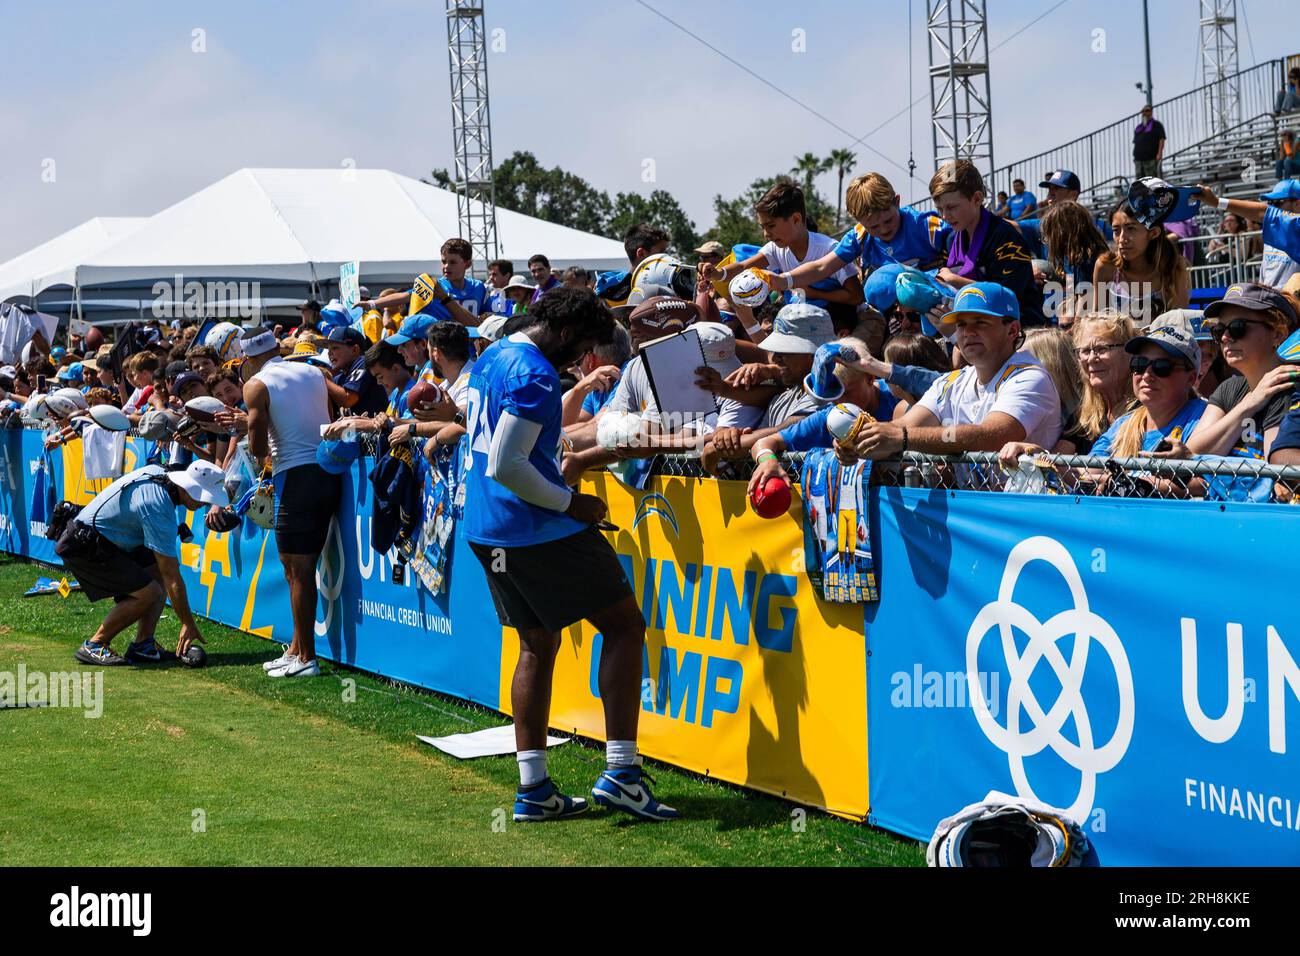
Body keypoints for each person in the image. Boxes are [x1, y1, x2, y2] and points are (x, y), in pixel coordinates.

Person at [462, 286, 676, 822]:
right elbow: (508, 465)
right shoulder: (534, 373)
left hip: (487, 524)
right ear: (561, 333)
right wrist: (569, 503)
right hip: (531, 524)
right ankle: (622, 774)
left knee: (536, 646)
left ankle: (534, 790)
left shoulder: (497, 352)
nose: (583, 359)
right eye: (581, 346)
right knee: (625, 627)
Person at [845, 282, 1062, 466]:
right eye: (961, 324)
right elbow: (901, 428)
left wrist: (902, 438)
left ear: (1012, 330)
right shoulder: (952, 381)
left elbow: (992, 435)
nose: (968, 332)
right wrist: (858, 440)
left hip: (1028, 509)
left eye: (980, 322)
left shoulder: (1029, 377)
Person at [236, 326, 338, 678]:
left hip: (296, 477)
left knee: (297, 569)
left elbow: (259, 446)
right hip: (326, 471)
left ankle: (306, 657)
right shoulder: (312, 371)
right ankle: (296, 648)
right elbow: (325, 419)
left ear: (249, 359)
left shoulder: (256, 385)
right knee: (296, 568)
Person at [61, 461, 229, 666]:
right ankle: (95, 644)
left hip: (99, 539)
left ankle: (143, 646)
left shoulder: (164, 476)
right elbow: (172, 577)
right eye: (204, 496)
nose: (205, 503)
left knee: (156, 575)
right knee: (150, 592)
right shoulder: (158, 507)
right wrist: (187, 623)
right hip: (84, 545)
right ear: (189, 489)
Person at [753, 173, 950, 299]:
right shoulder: (860, 236)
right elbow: (822, 266)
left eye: (888, 221)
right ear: (858, 220)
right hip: (893, 312)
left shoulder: (927, 226)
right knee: (876, 287)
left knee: (879, 282)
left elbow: (964, 254)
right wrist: (783, 280)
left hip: (934, 297)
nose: (883, 230)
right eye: (873, 226)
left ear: (897, 202)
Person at [745, 338, 901, 492]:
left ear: (870, 378)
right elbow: (764, 442)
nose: (838, 403)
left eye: (845, 392)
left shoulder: (898, 395)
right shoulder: (828, 415)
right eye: (831, 395)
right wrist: (767, 461)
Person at [697, 181, 862, 312]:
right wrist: (718, 273)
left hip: (836, 323)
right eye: (762, 227)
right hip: (797, 320)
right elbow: (743, 265)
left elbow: (856, 297)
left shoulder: (828, 249)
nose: (766, 234)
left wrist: (816, 294)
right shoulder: (776, 249)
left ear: (796, 219)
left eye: (771, 226)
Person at [1087, 326, 1207, 496]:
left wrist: (1132, 485)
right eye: (1140, 365)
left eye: (1162, 367)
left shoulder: (1205, 418)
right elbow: (1086, 473)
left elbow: (1210, 483)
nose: (1147, 375)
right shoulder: (1124, 424)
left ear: (1191, 378)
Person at [1186, 283, 1299, 461]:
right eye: (1219, 330)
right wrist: (1251, 402)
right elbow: (1192, 452)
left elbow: (1278, 474)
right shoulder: (1229, 388)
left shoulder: (1291, 387)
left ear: (1278, 334)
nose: (1225, 338)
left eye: (1238, 327)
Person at [931, 160, 1044, 325]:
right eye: (940, 209)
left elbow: (1007, 295)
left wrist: (953, 280)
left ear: (977, 198)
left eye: (951, 207)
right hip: (977, 326)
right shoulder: (953, 238)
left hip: (1018, 330)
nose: (944, 216)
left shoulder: (1005, 237)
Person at [1092, 196, 1190, 323]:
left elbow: (1181, 323)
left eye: (1131, 228)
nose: (1122, 239)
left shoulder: (1173, 266)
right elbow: (1097, 322)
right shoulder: (1105, 267)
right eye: (1116, 231)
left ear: (1153, 233)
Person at [1196, 180, 1300, 291]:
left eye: (1277, 202)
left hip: (1293, 303)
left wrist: (1216, 201)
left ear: (1298, 203)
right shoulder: (1275, 230)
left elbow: (1263, 212)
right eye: (1270, 203)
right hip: (1272, 300)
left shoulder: (1293, 226)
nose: (1272, 207)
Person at [362, 238, 488, 327]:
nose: (446, 266)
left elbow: (484, 321)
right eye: (444, 261)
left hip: (472, 353)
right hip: (441, 354)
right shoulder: (433, 286)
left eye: (452, 262)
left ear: (468, 264)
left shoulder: (479, 287)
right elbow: (405, 296)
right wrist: (371, 304)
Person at [1070, 312, 1139, 446]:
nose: (1091, 359)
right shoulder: (1084, 415)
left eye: (1101, 349)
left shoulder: (1147, 411)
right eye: (1085, 351)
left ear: (1130, 352)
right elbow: (1058, 459)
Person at [1039, 201, 1110, 326]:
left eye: (1050, 232)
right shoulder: (1076, 255)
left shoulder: (1085, 258)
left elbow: (1086, 301)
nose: (1047, 239)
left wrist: (1073, 329)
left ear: (1062, 231)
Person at [324, 325, 388, 416]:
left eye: (335, 348)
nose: (329, 353)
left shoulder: (364, 362)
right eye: (328, 349)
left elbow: (348, 399)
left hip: (376, 428)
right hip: (355, 429)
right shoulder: (339, 379)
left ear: (354, 350)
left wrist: (321, 379)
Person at [1133, 104, 1166, 178]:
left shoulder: (1157, 125)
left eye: (1147, 111)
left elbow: (1162, 139)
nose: (1145, 113)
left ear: (1151, 112)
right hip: (1139, 159)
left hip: (1151, 158)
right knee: (1140, 181)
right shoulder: (1139, 128)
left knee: (1151, 179)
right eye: (1143, 111)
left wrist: (1159, 153)